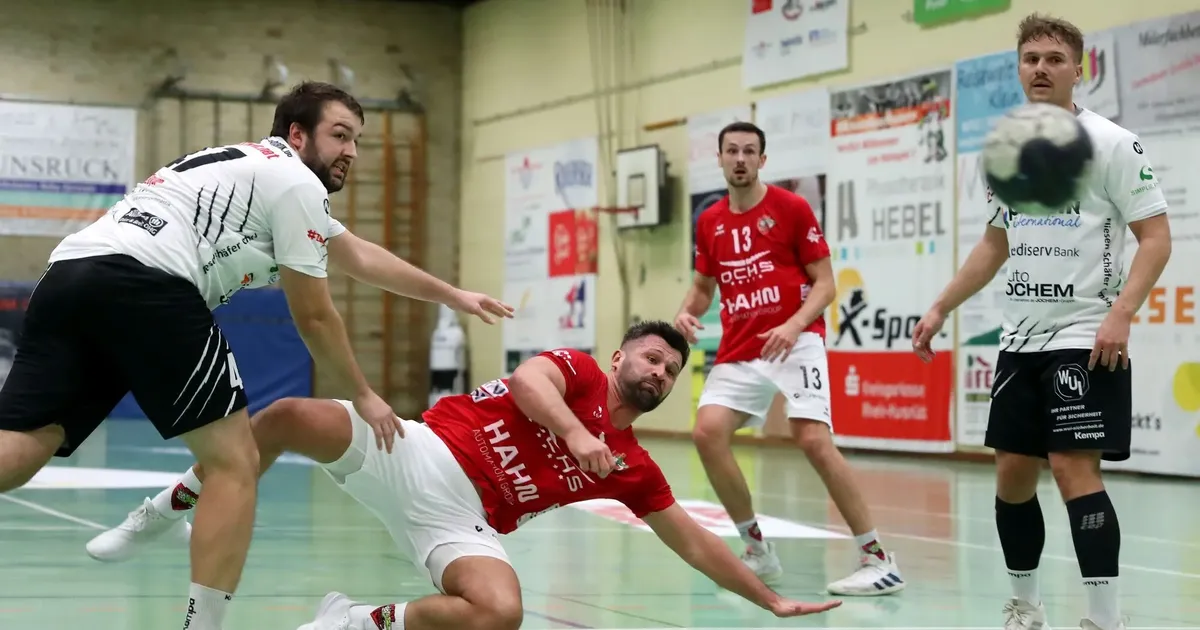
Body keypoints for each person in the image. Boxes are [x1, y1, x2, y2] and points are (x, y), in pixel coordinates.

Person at [0, 81, 510, 630]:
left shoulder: (254, 170)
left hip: (68, 275)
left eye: (357, 141)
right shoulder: (294, 183)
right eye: (340, 135)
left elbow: (358, 254)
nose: (351, 153)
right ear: (297, 133)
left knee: (27, 443)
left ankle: (165, 516)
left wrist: (452, 295)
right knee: (235, 463)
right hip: (145, 284)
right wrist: (365, 396)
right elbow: (313, 317)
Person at [86, 321, 844, 629]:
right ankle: (174, 499)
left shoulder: (635, 467)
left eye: (673, 371)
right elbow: (526, 387)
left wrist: (767, 597)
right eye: (651, 358)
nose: (661, 372)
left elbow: (692, 539)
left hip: (461, 519)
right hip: (414, 451)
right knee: (287, 415)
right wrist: (580, 434)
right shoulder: (577, 371)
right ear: (619, 358)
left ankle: (358, 621)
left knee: (499, 613)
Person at [911, 14, 1171, 630]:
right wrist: (942, 304)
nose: (1041, 69)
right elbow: (995, 243)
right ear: (1018, 68)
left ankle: (1105, 619)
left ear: (1080, 68)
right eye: (1031, 58)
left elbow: (1156, 238)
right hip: (1019, 339)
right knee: (1011, 473)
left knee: (1071, 466)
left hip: (1086, 335)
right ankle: (1026, 605)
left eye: (1055, 58)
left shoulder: (1112, 142)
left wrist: (1121, 315)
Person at [673, 121, 903, 596]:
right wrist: (684, 313)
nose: (740, 158)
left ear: (763, 159)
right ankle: (757, 549)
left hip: (795, 340)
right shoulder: (709, 221)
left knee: (812, 438)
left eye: (749, 151)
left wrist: (794, 324)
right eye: (732, 151)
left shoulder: (791, 208)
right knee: (707, 432)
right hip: (741, 346)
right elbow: (702, 287)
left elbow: (826, 284)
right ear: (719, 159)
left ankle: (878, 559)